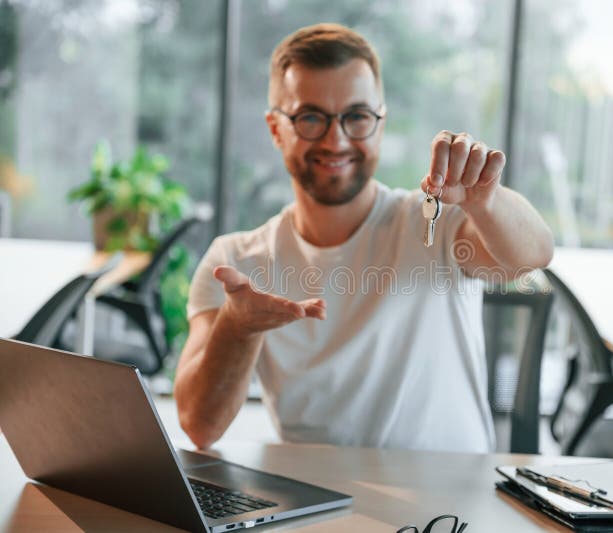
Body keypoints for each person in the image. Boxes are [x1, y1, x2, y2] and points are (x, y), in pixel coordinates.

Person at [174, 23, 554, 453]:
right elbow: (198, 426)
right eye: (310, 117)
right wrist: (237, 328)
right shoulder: (235, 261)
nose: (336, 140)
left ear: (380, 123)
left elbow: (534, 254)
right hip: (317, 503)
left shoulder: (435, 223)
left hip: (447, 505)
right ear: (276, 129)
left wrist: (486, 200)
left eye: (356, 116)